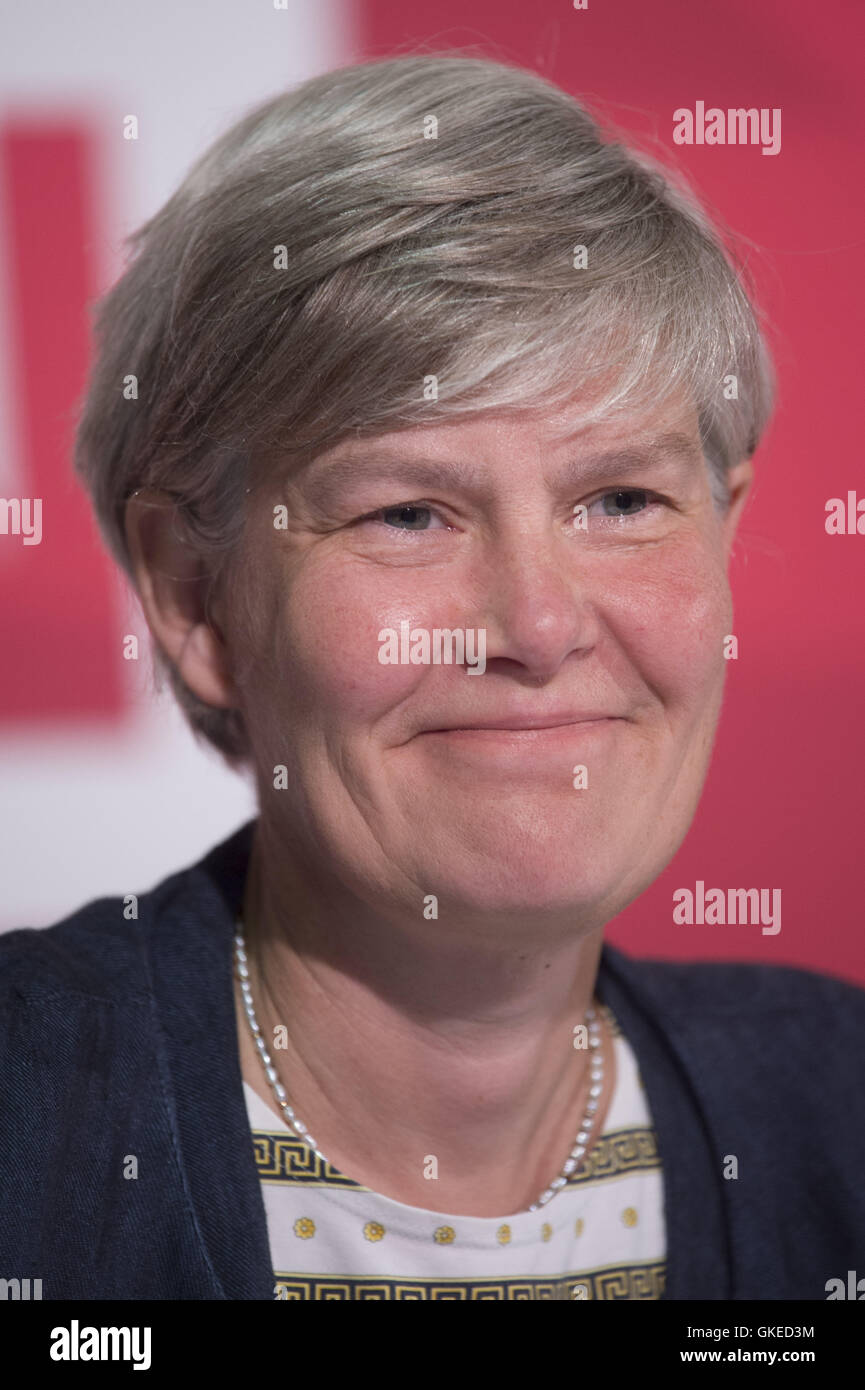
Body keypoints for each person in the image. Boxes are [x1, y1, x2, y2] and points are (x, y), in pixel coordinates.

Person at [2, 52, 863, 1302]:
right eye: (407, 513)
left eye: (621, 499)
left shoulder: (836, 1103)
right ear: (197, 600)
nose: (537, 620)